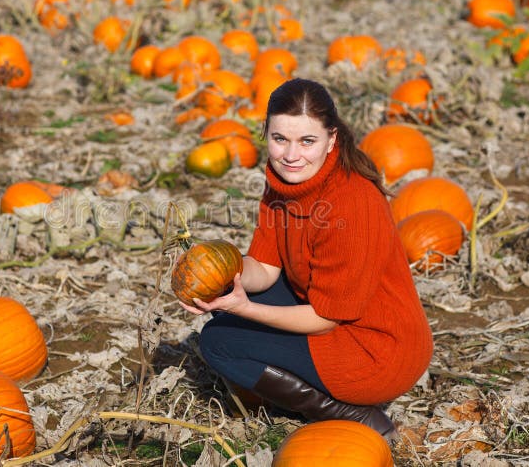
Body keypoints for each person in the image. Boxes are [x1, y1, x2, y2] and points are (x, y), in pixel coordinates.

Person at [180, 78, 434, 439]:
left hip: (379, 350)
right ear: (265, 133)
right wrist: (218, 268)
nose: (291, 154)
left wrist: (244, 309)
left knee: (218, 342)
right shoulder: (281, 184)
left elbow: (327, 317)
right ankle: (282, 382)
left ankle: (352, 414)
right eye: (280, 139)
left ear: (332, 139)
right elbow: (265, 269)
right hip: (333, 314)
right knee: (225, 308)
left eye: (307, 141)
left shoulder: (352, 204)